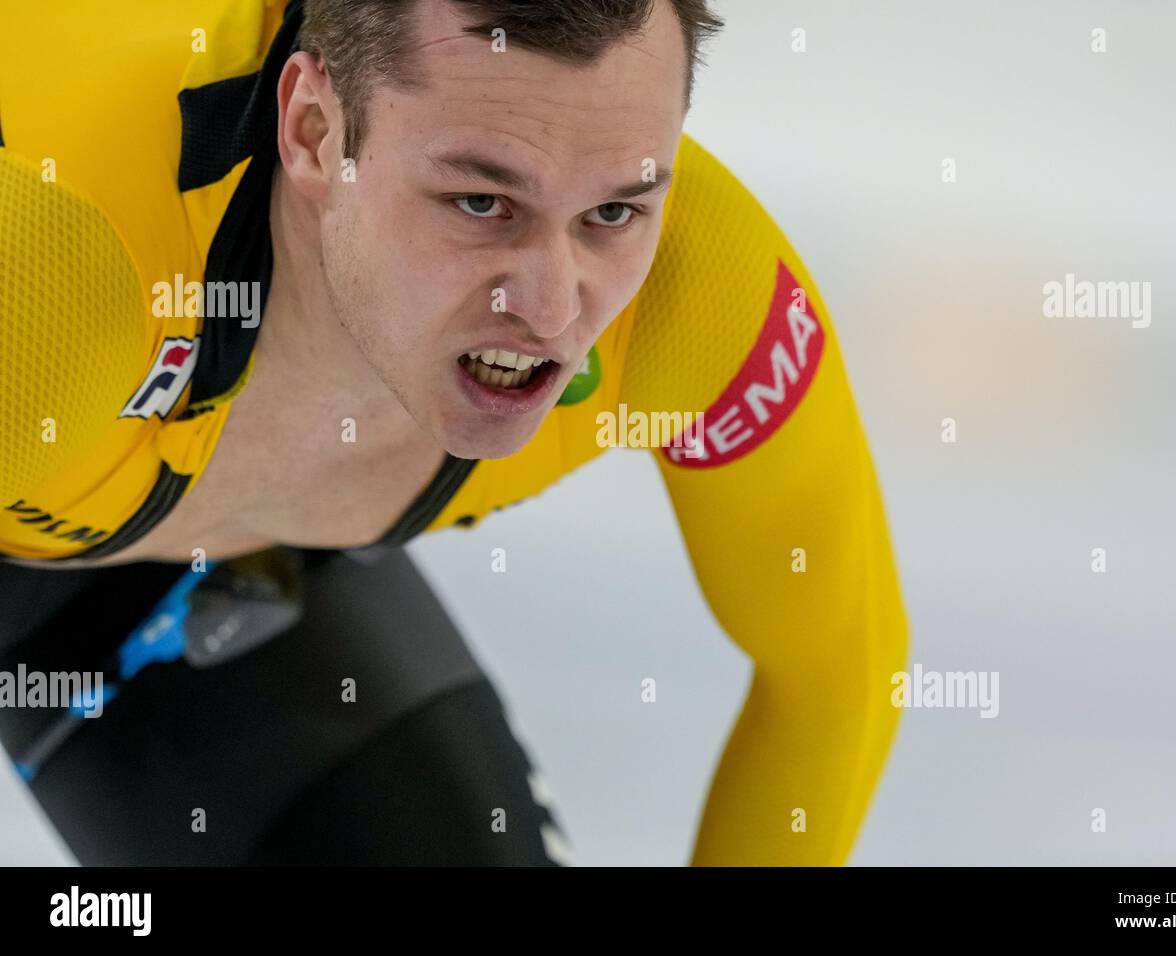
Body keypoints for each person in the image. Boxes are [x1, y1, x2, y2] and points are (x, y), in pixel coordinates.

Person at [0, 0, 908, 865]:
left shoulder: (700, 302)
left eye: (613, 213)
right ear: (315, 133)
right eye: (481, 203)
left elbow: (836, 674)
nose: (551, 309)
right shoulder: (51, 296)